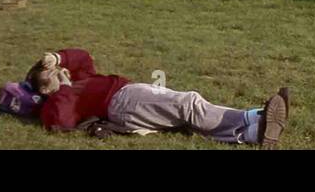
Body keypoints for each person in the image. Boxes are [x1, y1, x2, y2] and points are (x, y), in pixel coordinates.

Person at [27, 49, 291, 147]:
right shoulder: (60, 99)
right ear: (44, 88)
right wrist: (56, 92)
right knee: (187, 104)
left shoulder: (81, 77)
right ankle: (252, 121)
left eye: (58, 69)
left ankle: (253, 126)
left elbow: (82, 56)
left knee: (186, 115)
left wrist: (58, 57)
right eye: (52, 73)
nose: (61, 72)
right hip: (123, 104)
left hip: (130, 96)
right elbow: (58, 122)